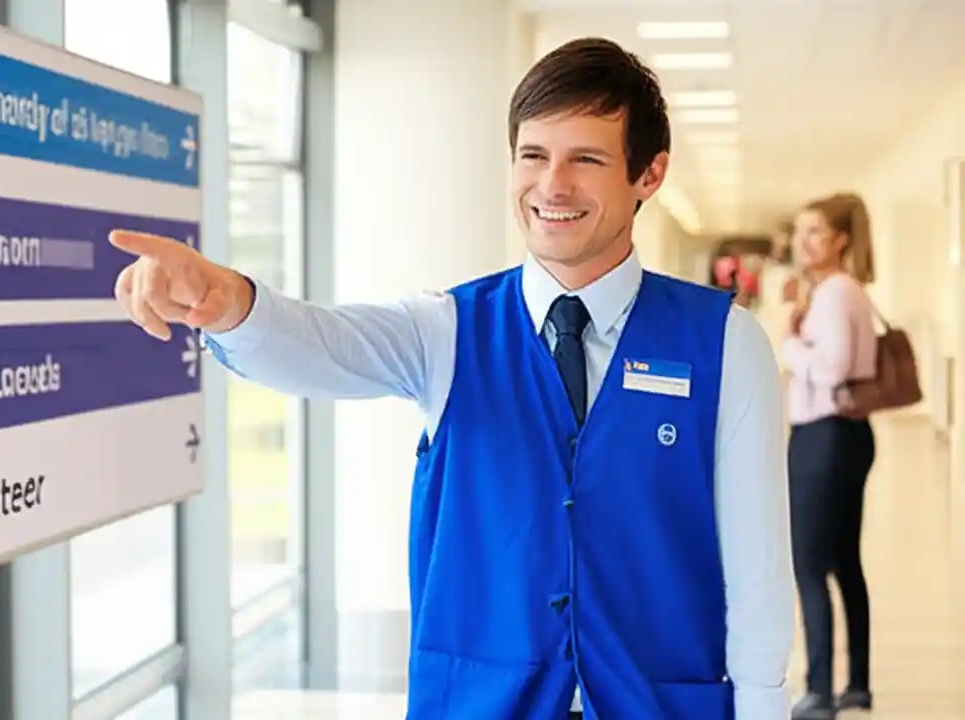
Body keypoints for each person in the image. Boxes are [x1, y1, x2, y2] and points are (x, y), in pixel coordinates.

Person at [110, 37, 794, 719]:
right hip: (481, 702)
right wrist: (227, 301)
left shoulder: (724, 344)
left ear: (649, 174)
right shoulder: (448, 331)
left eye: (585, 159)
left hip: (661, 703)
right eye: (533, 156)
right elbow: (322, 345)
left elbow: (757, 571)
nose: (552, 185)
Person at [781, 193, 879, 719]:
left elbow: (833, 367)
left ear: (840, 239)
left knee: (810, 562)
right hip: (846, 436)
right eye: (800, 231)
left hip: (824, 438)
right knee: (844, 563)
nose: (803, 241)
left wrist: (788, 344)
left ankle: (818, 689)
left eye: (815, 231)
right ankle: (856, 685)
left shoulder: (837, 292)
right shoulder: (838, 290)